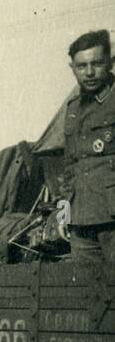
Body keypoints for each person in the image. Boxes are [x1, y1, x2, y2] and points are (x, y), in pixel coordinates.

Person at [56, 30, 115, 264]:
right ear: (72, 68)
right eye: (81, 66)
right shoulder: (72, 109)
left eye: (97, 63)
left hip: (112, 218)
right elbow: (69, 167)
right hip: (81, 221)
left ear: (110, 62)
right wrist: (63, 213)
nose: (89, 72)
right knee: (90, 296)